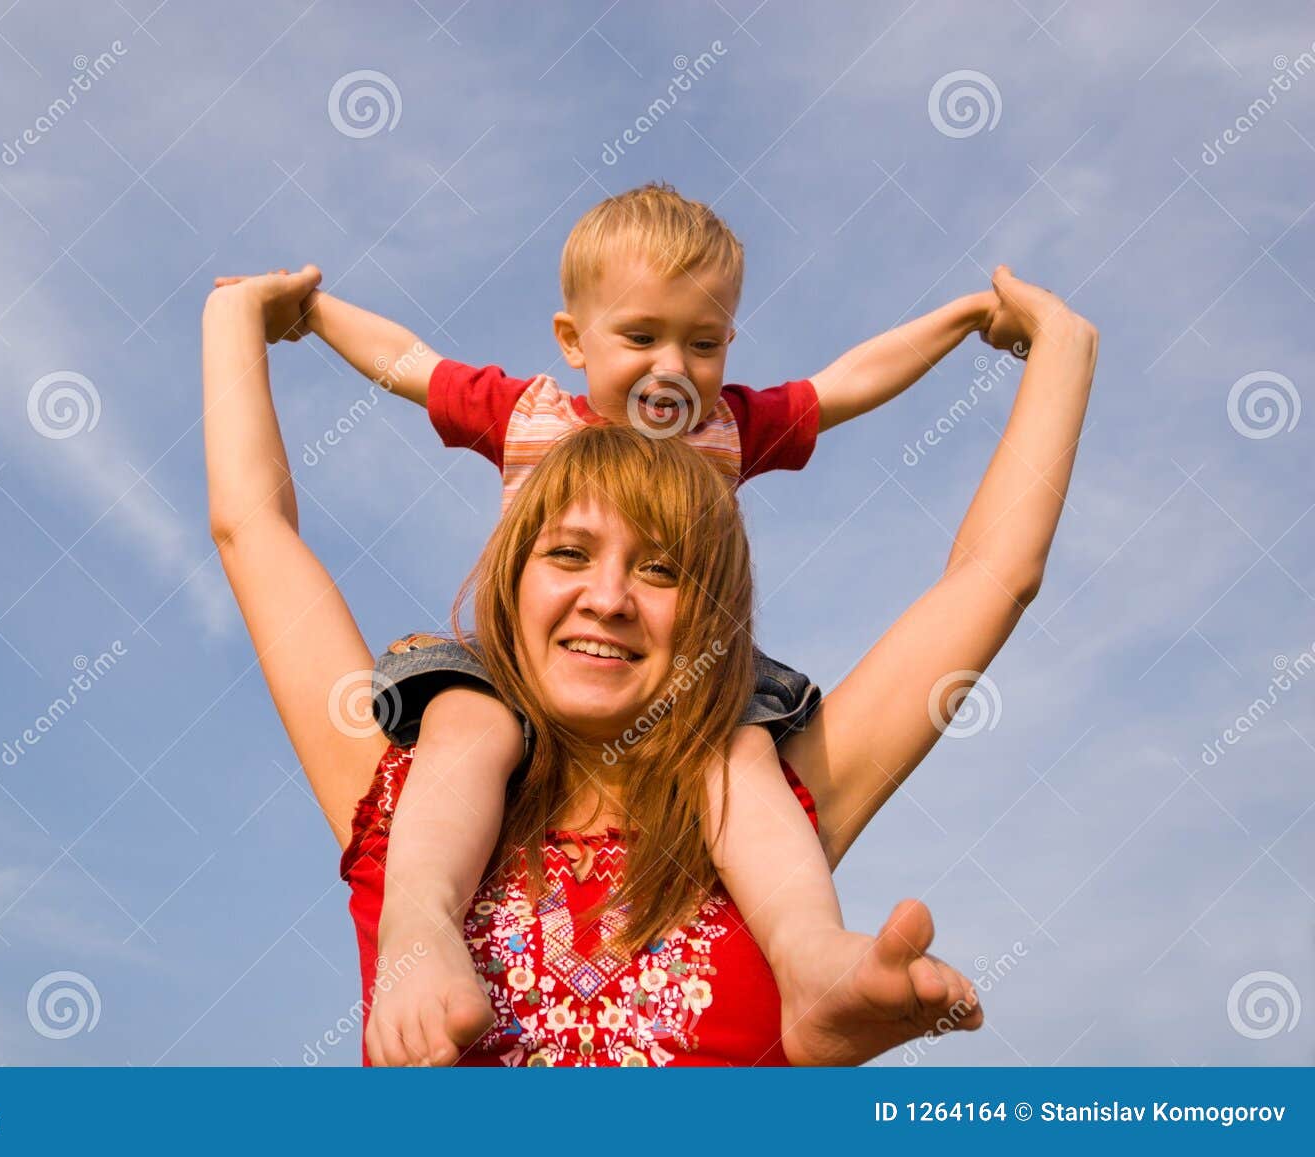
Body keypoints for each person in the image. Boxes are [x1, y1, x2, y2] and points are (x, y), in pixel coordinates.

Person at [202, 257, 1099, 1065]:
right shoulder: (401, 784)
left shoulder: (767, 807)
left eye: (663, 568)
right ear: (510, 581)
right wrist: (239, 317)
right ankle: (419, 927)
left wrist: (1060, 344)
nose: (611, 595)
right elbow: (253, 530)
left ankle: (813, 960)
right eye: (568, 554)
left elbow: (991, 578)